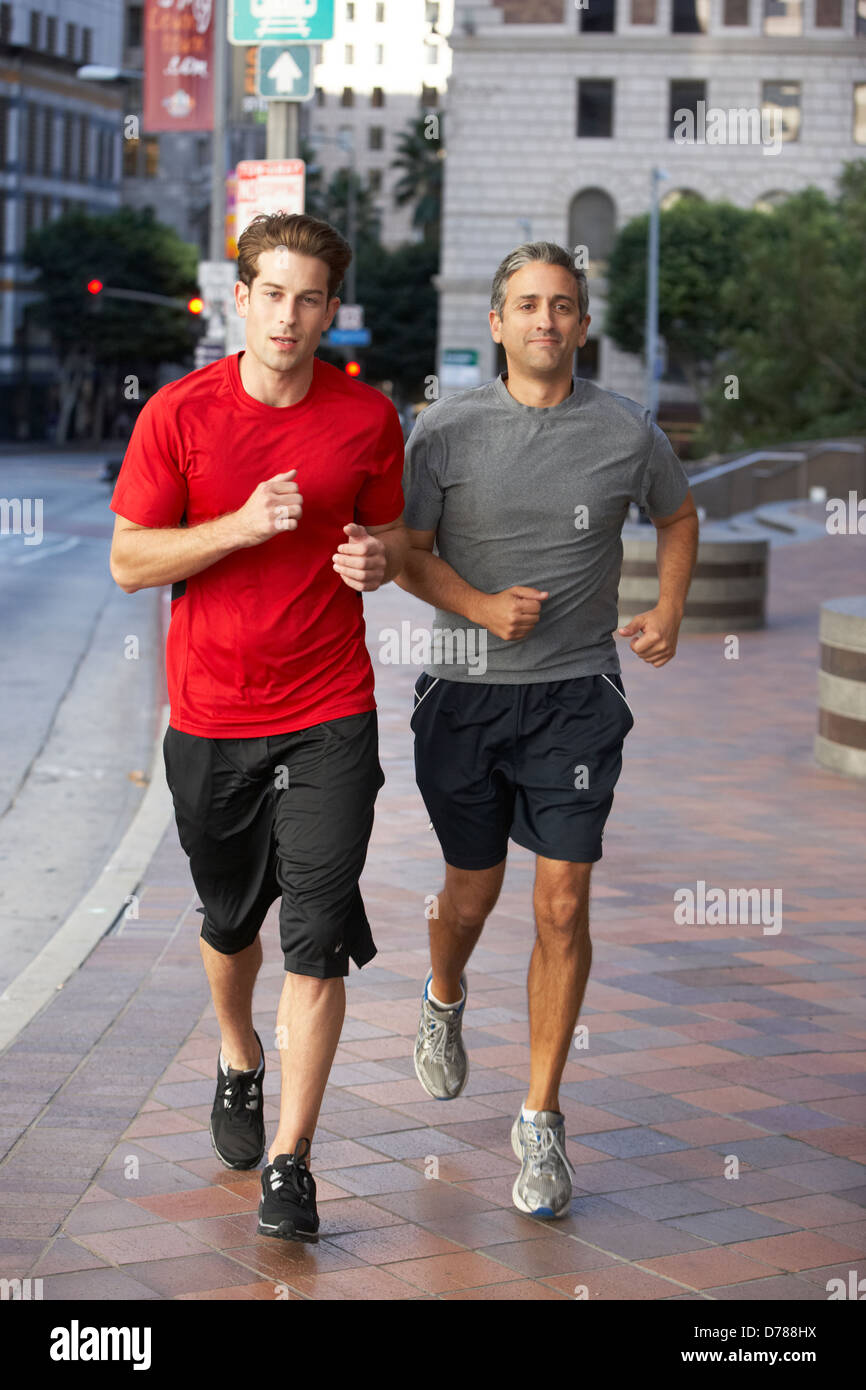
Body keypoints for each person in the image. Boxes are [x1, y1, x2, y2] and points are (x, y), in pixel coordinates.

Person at [109, 212, 408, 1243]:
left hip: (329, 708)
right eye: (271, 292)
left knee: (314, 933)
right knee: (230, 920)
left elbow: (390, 537)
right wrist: (238, 525)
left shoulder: (366, 419)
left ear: (333, 308)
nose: (289, 315)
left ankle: (292, 1160)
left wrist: (380, 561)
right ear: (240, 297)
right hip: (210, 714)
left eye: (310, 296)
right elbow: (129, 561)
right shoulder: (177, 417)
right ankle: (238, 1052)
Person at [397, 241, 698, 1219]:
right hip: (464, 690)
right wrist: (478, 605)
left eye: (561, 304)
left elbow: (677, 514)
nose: (543, 319)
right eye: (525, 304)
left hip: (574, 694)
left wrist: (668, 609)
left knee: (561, 906)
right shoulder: (442, 431)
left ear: (580, 323)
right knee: (469, 896)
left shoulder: (624, 430)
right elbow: (406, 551)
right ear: (495, 323)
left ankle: (539, 1120)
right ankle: (443, 996)